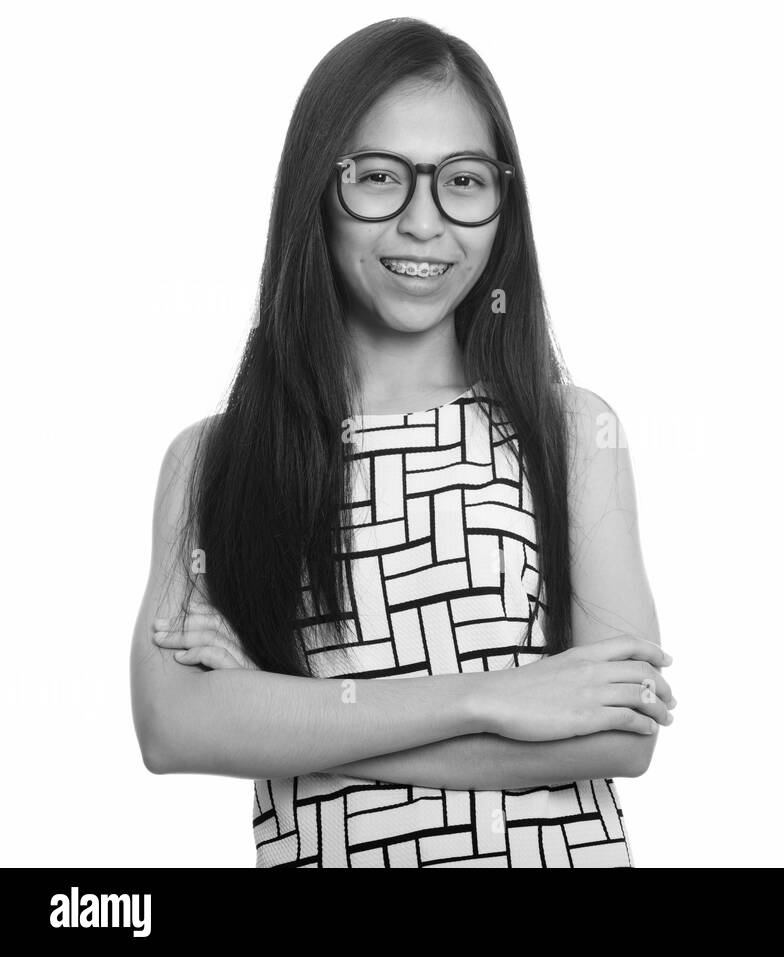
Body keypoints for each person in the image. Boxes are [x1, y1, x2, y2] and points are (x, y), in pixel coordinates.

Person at [129, 18, 675, 868]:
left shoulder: (572, 431)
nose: (425, 223)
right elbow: (172, 728)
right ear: (318, 186)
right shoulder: (213, 463)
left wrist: (283, 719)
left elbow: (623, 731)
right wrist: (498, 698)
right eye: (379, 177)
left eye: (463, 181)